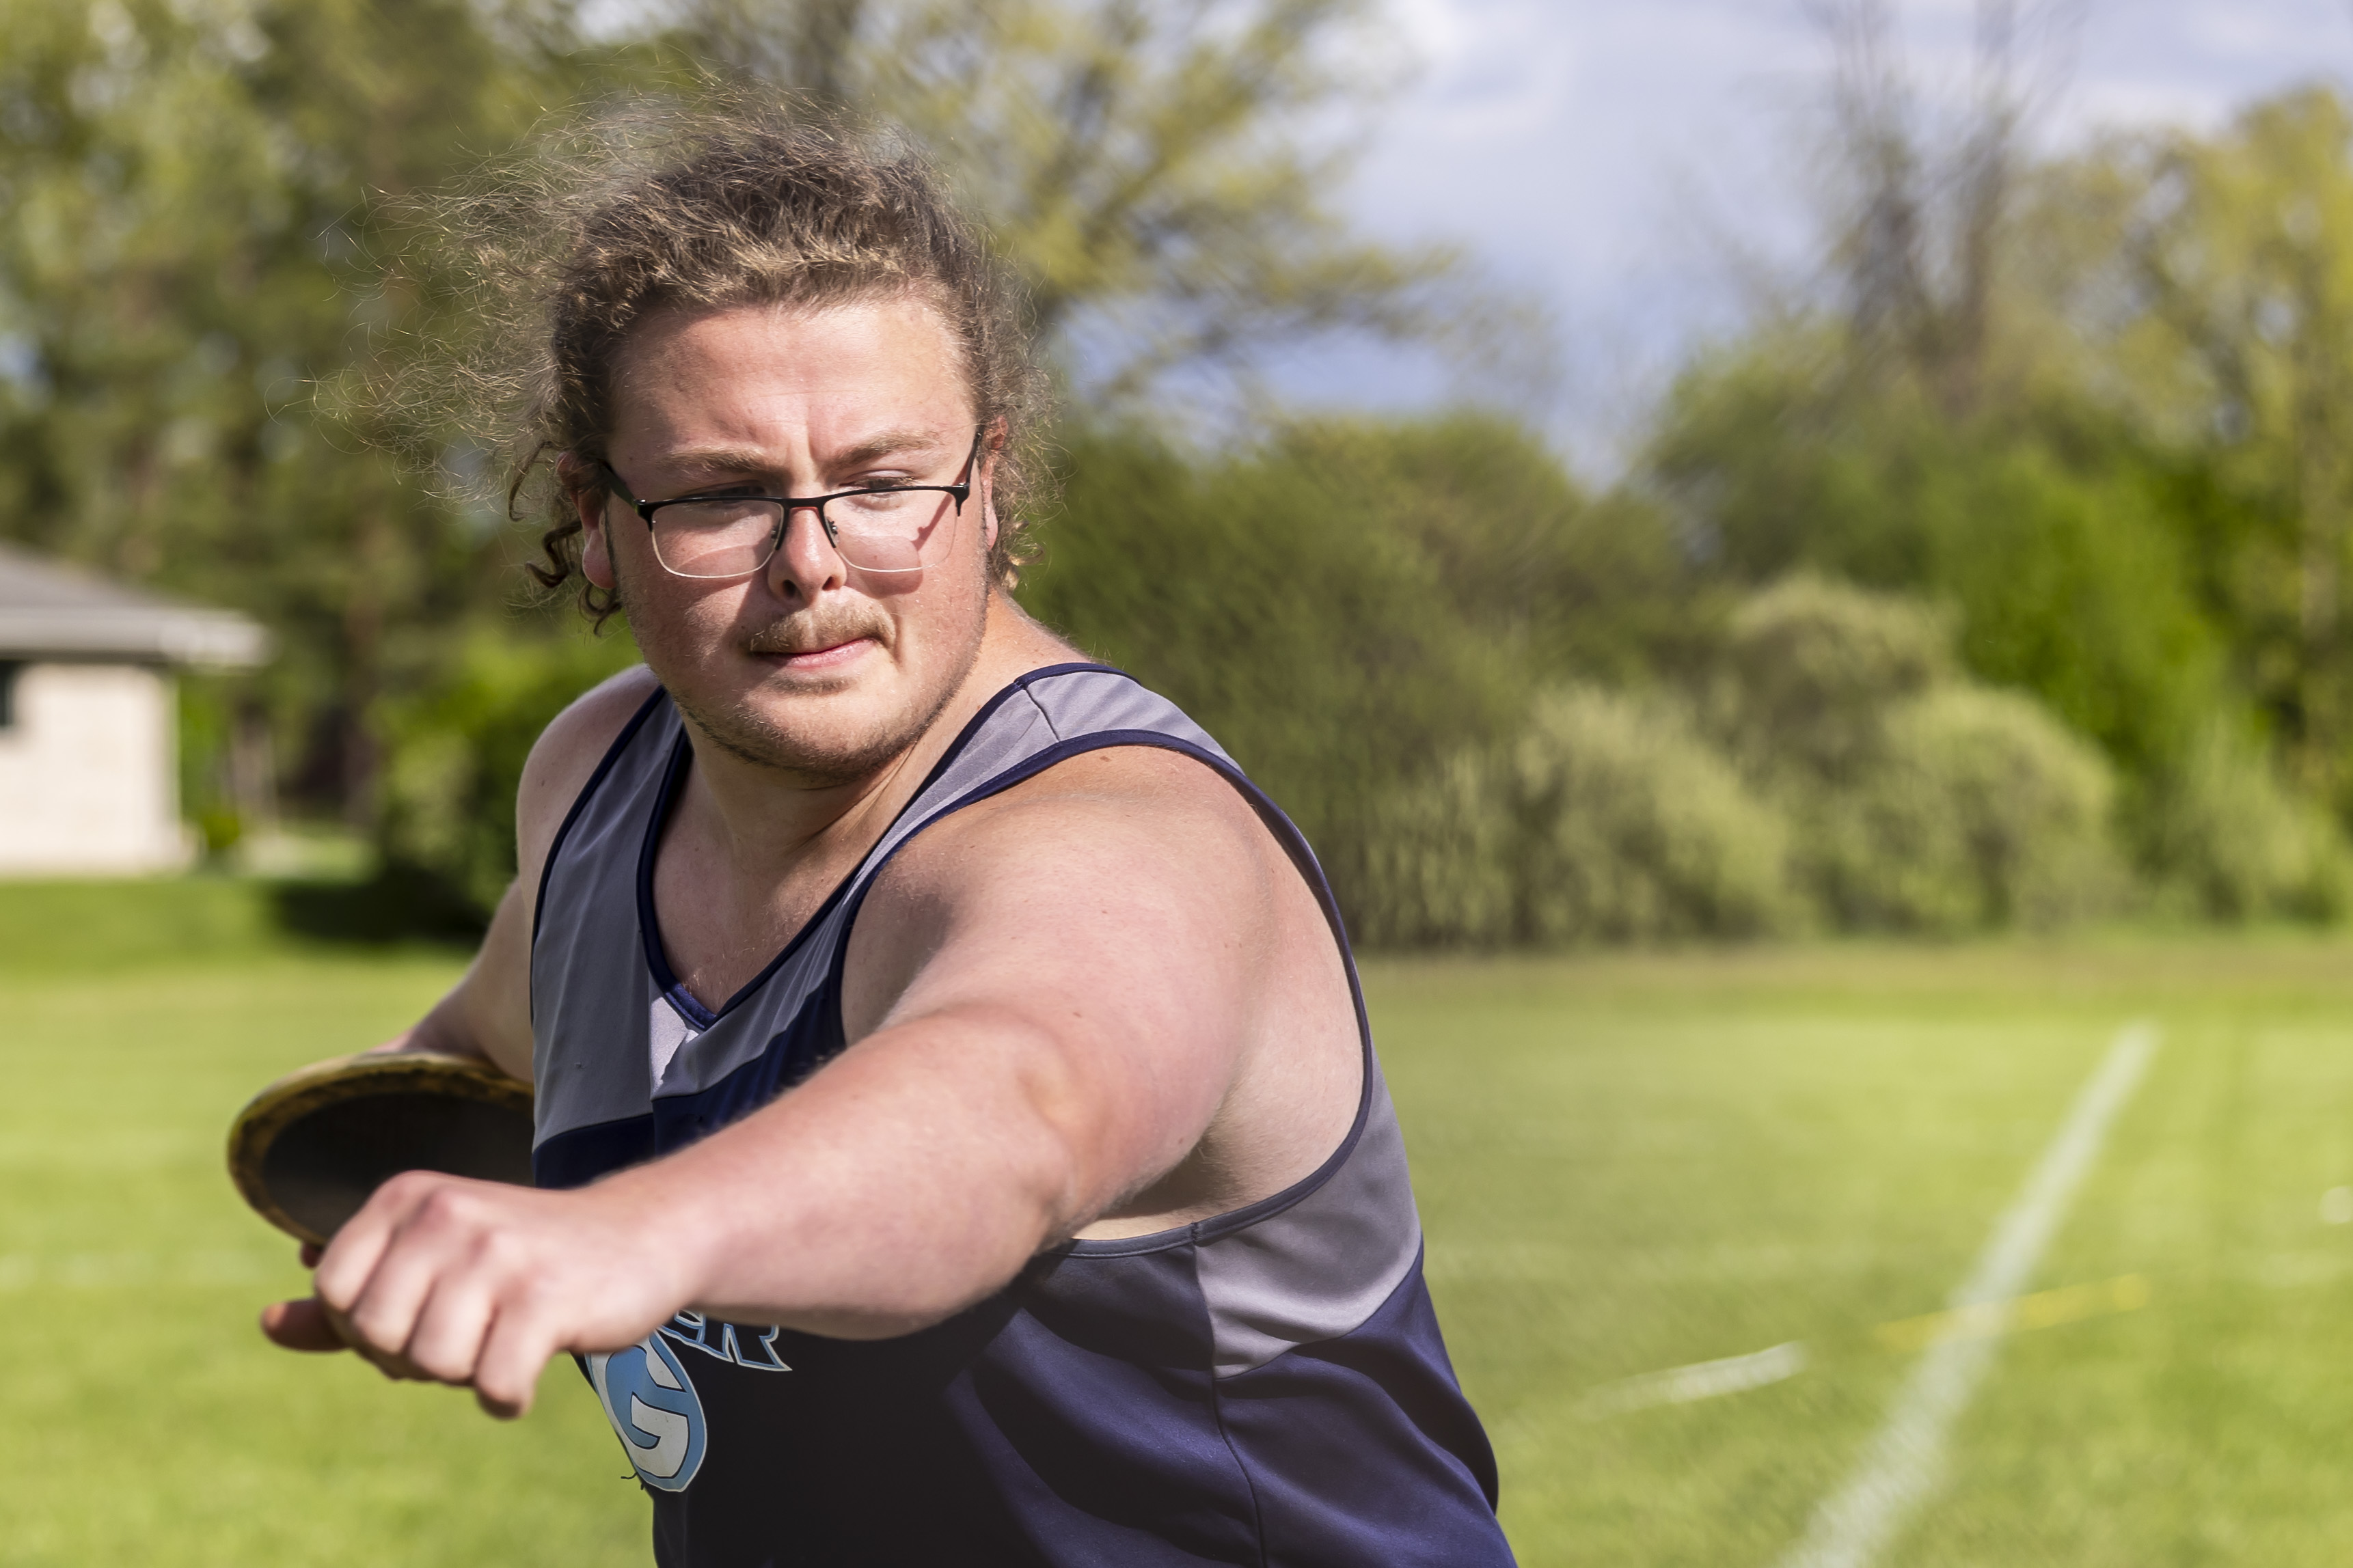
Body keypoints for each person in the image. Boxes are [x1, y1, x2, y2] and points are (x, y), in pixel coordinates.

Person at [260, 115, 1513, 1567]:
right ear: (594, 518)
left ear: (991, 487)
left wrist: (631, 1233)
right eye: (722, 493)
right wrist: (397, 1208)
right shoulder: (595, 791)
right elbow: (489, 1047)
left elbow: (1017, 1113)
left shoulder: (1124, 840)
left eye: (882, 483)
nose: (811, 562)